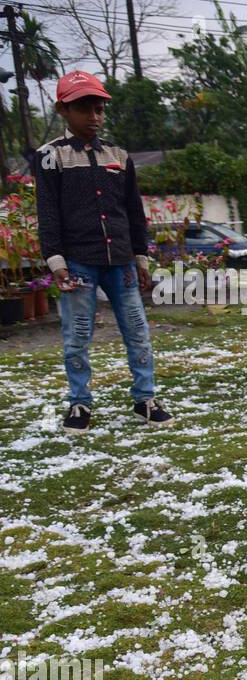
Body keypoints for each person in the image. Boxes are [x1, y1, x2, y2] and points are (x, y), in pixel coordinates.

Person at [35, 70, 174, 435]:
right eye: (84, 109)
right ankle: (79, 403)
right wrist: (56, 262)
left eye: (99, 109)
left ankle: (145, 398)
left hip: (122, 262)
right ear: (63, 109)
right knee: (77, 335)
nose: (94, 116)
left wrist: (141, 257)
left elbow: (133, 211)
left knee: (137, 332)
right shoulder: (50, 157)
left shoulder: (119, 155)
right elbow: (47, 212)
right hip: (78, 262)